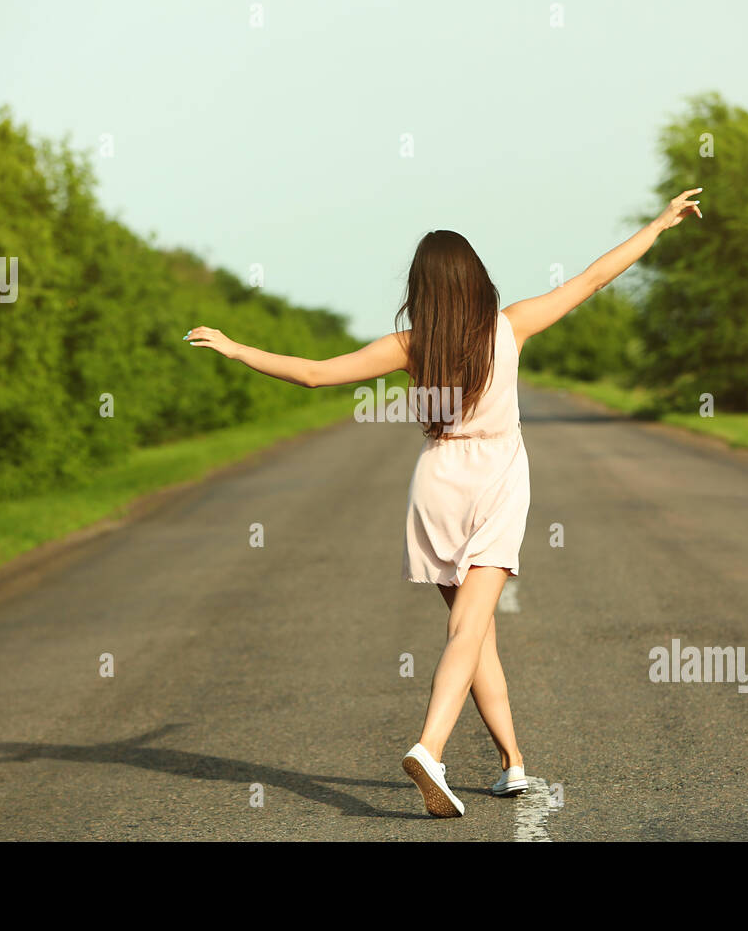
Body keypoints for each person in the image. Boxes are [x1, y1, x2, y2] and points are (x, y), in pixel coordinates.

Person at [185, 187, 702, 817]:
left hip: (436, 484)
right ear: (477, 280)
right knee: (469, 627)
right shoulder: (510, 326)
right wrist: (661, 223)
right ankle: (431, 746)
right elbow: (595, 278)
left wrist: (238, 349)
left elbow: (317, 372)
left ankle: (512, 764)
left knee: (474, 632)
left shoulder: (410, 346)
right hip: (498, 479)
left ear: (421, 288)